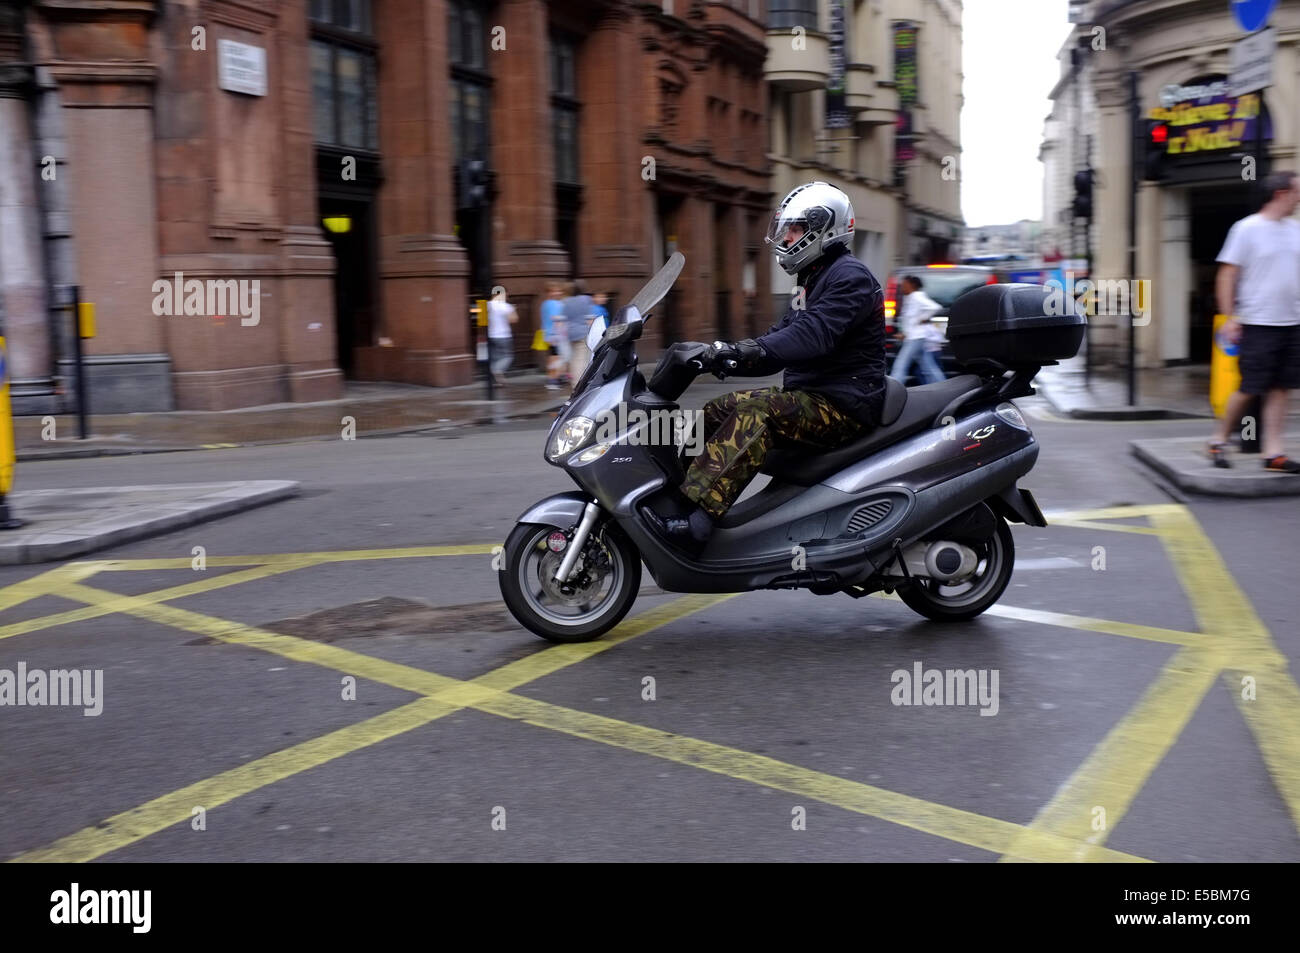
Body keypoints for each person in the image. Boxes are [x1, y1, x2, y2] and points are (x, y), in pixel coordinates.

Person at [646, 181, 887, 551]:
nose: (787, 237)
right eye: (786, 229)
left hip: (843, 404)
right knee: (717, 409)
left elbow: (811, 337)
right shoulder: (812, 279)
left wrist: (736, 349)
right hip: (812, 397)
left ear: (824, 228)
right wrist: (717, 358)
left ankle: (698, 520)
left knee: (757, 414)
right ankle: (677, 497)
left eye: (795, 229)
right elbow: (778, 341)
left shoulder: (849, 277)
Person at [1206, 170, 1300, 472]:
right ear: (1281, 193)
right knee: (1250, 387)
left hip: (1292, 322)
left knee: (1281, 387)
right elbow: (1227, 274)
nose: (1299, 197)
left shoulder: (1296, 229)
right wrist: (1230, 317)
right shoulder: (1246, 229)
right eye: (1296, 191)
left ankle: (1273, 453)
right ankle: (1218, 441)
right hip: (1257, 322)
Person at [890, 275, 946, 386]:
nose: (902, 288)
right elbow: (910, 320)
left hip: (916, 338)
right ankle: (943, 385)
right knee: (928, 367)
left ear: (912, 285)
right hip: (915, 337)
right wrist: (904, 333)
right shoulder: (911, 298)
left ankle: (893, 388)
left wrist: (923, 318)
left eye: (904, 285)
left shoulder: (917, 296)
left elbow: (935, 307)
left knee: (900, 365)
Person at [562, 280, 596, 385]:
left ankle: (575, 382)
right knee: (581, 359)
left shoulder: (566, 301)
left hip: (570, 333)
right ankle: (579, 383)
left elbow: (564, 318)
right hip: (583, 332)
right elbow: (590, 317)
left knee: (573, 359)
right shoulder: (586, 299)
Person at [486, 288, 517, 387]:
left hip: (491, 335)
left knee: (495, 358)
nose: (507, 297)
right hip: (503, 336)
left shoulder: (488, 305)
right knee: (507, 356)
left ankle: (499, 381)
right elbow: (513, 320)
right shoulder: (506, 306)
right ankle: (496, 370)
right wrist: (514, 310)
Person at [539, 280, 568, 390]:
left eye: (559, 291)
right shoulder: (554, 304)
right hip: (556, 334)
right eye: (554, 291)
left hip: (549, 334)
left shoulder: (545, 304)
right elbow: (556, 319)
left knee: (553, 357)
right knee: (557, 357)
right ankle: (553, 379)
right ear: (548, 292)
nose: (557, 293)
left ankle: (554, 378)